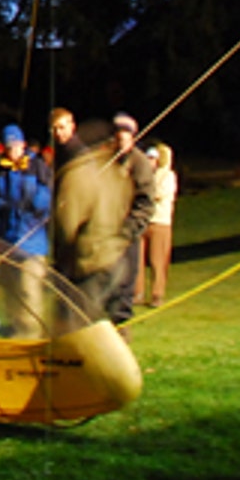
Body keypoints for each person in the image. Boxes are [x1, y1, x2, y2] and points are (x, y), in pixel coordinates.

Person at [50, 118, 152, 328]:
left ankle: (107, 357)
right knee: (104, 313)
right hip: (109, 252)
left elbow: (68, 225)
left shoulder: (134, 164)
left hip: (102, 255)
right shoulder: (107, 168)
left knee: (81, 317)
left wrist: (128, 230)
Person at [0, 123, 53, 336]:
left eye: (16, 145)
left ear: (23, 145)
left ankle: (32, 330)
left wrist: (38, 204)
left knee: (29, 289)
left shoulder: (37, 167)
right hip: (8, 239)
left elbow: (47, 193)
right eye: (9, 147)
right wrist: (4, 207)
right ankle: (15, 325)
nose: (13, 150)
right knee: (11, 289)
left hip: (32, 240)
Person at [105, 113, 157, 327]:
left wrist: (128, 229)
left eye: (125, 138)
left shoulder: (140, 163)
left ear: (133, 138)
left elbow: (146, 204)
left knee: (124, 286)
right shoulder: (105, 161)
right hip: (105, 234)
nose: (121, 142)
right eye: (118, 138)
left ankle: (122, 332)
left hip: (126, 236)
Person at [135, 142, 178, 308]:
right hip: (143, 221)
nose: (150, 161)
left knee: (157, 261)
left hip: (160, 222)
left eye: (153, 158)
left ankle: (157, 295)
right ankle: (137, 293)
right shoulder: (146, 175)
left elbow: (158, 194)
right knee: (137, 260)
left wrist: (144, 193)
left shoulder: (168, 176)